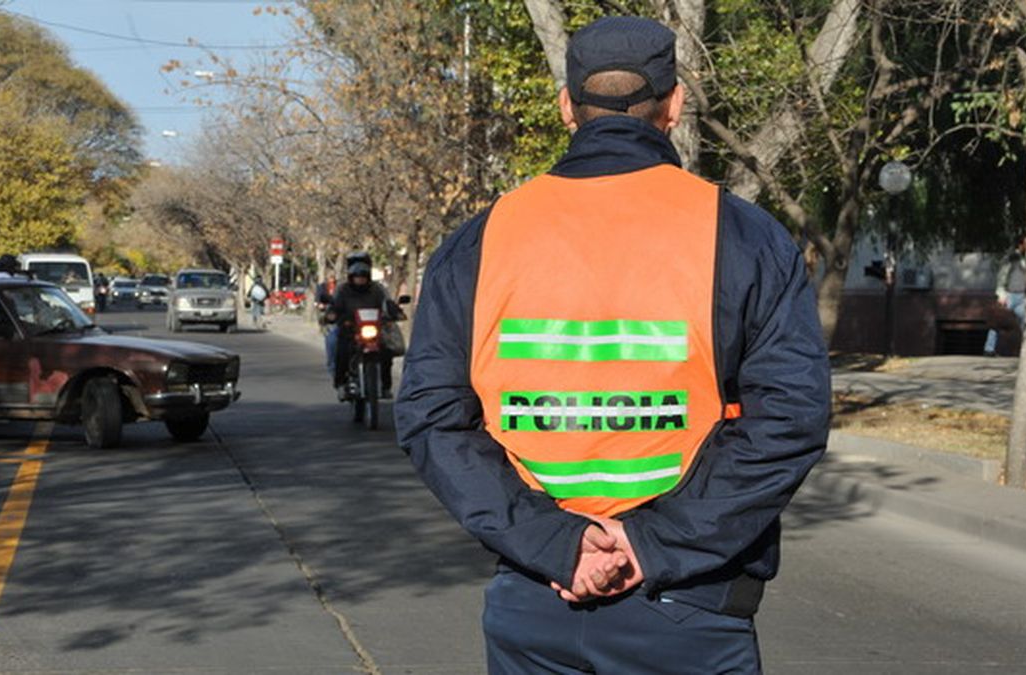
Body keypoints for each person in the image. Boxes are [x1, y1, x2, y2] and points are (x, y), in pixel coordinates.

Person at [394, 16, 830, 674]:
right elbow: (789, 416)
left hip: (536, 597)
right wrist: (649, 543)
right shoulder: (744, 237)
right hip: (689, 603)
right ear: (675, 103)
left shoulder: (481, 241)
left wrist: (558, 544)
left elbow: (431, 414)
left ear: (568, 106)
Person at [328, 253, 396, 400]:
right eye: (357, 277)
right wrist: (332, 314)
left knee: (386, 352)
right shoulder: (343, 290)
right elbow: (335, 306)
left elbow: (387, 304)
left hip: (374, 329)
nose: (360, 280)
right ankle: (341, 383)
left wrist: (394, 312)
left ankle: (385, 386)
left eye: (363, 277)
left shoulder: (377, 289)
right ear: (351, 277)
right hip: (350, 329)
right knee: (341, 350)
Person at [985, 236, 1026, 355]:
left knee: (1025, 322)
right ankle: (989, 348)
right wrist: (1001, 294)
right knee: (998, 321)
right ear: (1020, 245)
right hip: (1009, 295)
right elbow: (1002, 277)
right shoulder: (1012, 258)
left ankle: (1025, 350)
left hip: (1022, 296)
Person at [316, 272, 339, 377]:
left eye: (333, 277)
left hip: (342, 315)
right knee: (331, 338)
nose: (331, 279)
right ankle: (332, 366)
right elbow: (318, 299)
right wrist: (320, 304)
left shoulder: (341, 287)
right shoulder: (322, 287)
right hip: (329, 312)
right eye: (330, 277)